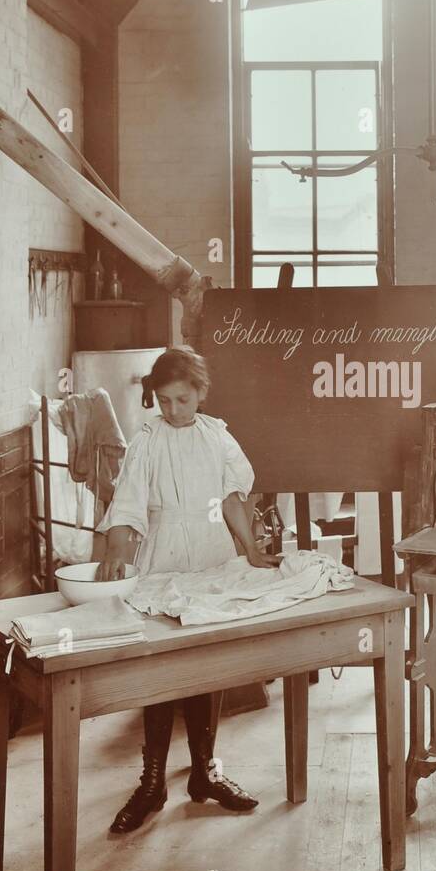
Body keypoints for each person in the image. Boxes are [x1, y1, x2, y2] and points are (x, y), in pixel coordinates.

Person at [96, 347, 276, 833]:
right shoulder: (147, 440)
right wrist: (115, 552)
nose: (172, 410)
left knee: (207, 663)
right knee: (162, 668)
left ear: (200, 393)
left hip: (211, 553)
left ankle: (205, 773)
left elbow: (235, 498)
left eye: (181, 399)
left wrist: (252, 551)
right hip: (162, 555)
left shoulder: (217, 437)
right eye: (163, 400)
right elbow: (128, 506)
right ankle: (152, 784)